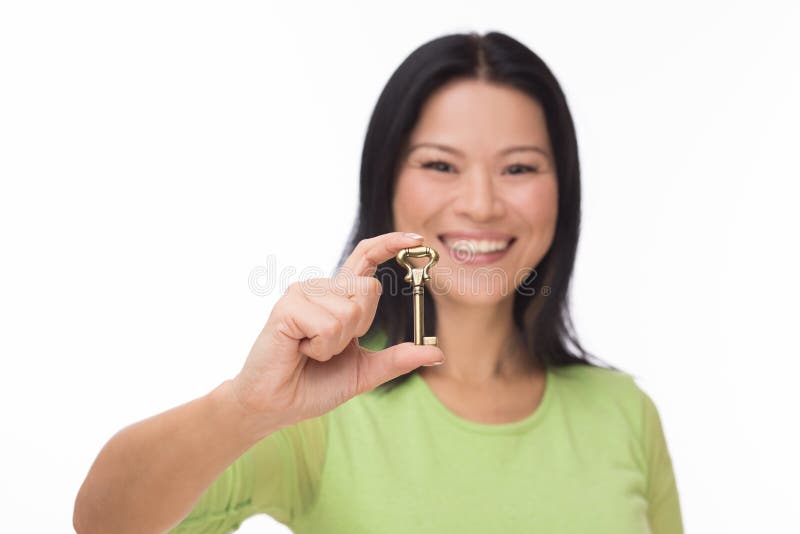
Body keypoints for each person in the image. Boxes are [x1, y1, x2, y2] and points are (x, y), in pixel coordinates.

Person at [73, 31, 684, 533]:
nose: (481, 203)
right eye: (440, 164)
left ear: (563, 189)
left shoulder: (624, 414)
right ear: (386, 183)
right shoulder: (318, 403)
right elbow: (104, 523)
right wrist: (246, 407)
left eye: (519, 168)